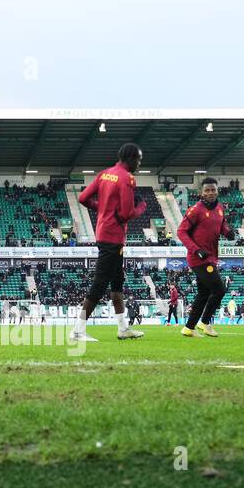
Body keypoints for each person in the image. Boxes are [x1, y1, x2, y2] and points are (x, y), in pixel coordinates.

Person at [69, 143, 148, 342]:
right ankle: (78, 330)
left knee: (117, 283)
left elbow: (83, 198)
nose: (139, 164)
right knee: (100, 282)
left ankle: (123, 328)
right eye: (138, 159)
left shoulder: (105, 174)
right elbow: (126, 213)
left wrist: (101, 208)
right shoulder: (127, 178)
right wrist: (142, 207)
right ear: (130, 158)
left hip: (103, 232)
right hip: (113, 236)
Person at [177, 176, 234, 337]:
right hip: (199, 258)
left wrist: (228, 232)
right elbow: (181, 232)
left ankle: (188, 328)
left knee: (203, 294)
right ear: (201, 193)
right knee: (219, 290)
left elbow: (222, 224)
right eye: (207, 190)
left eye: (213, 190)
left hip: (210, 257)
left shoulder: (220, 208)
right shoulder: (195, 210)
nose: (210, 193)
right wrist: (196, 249)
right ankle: (205, 322)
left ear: (217, 191)